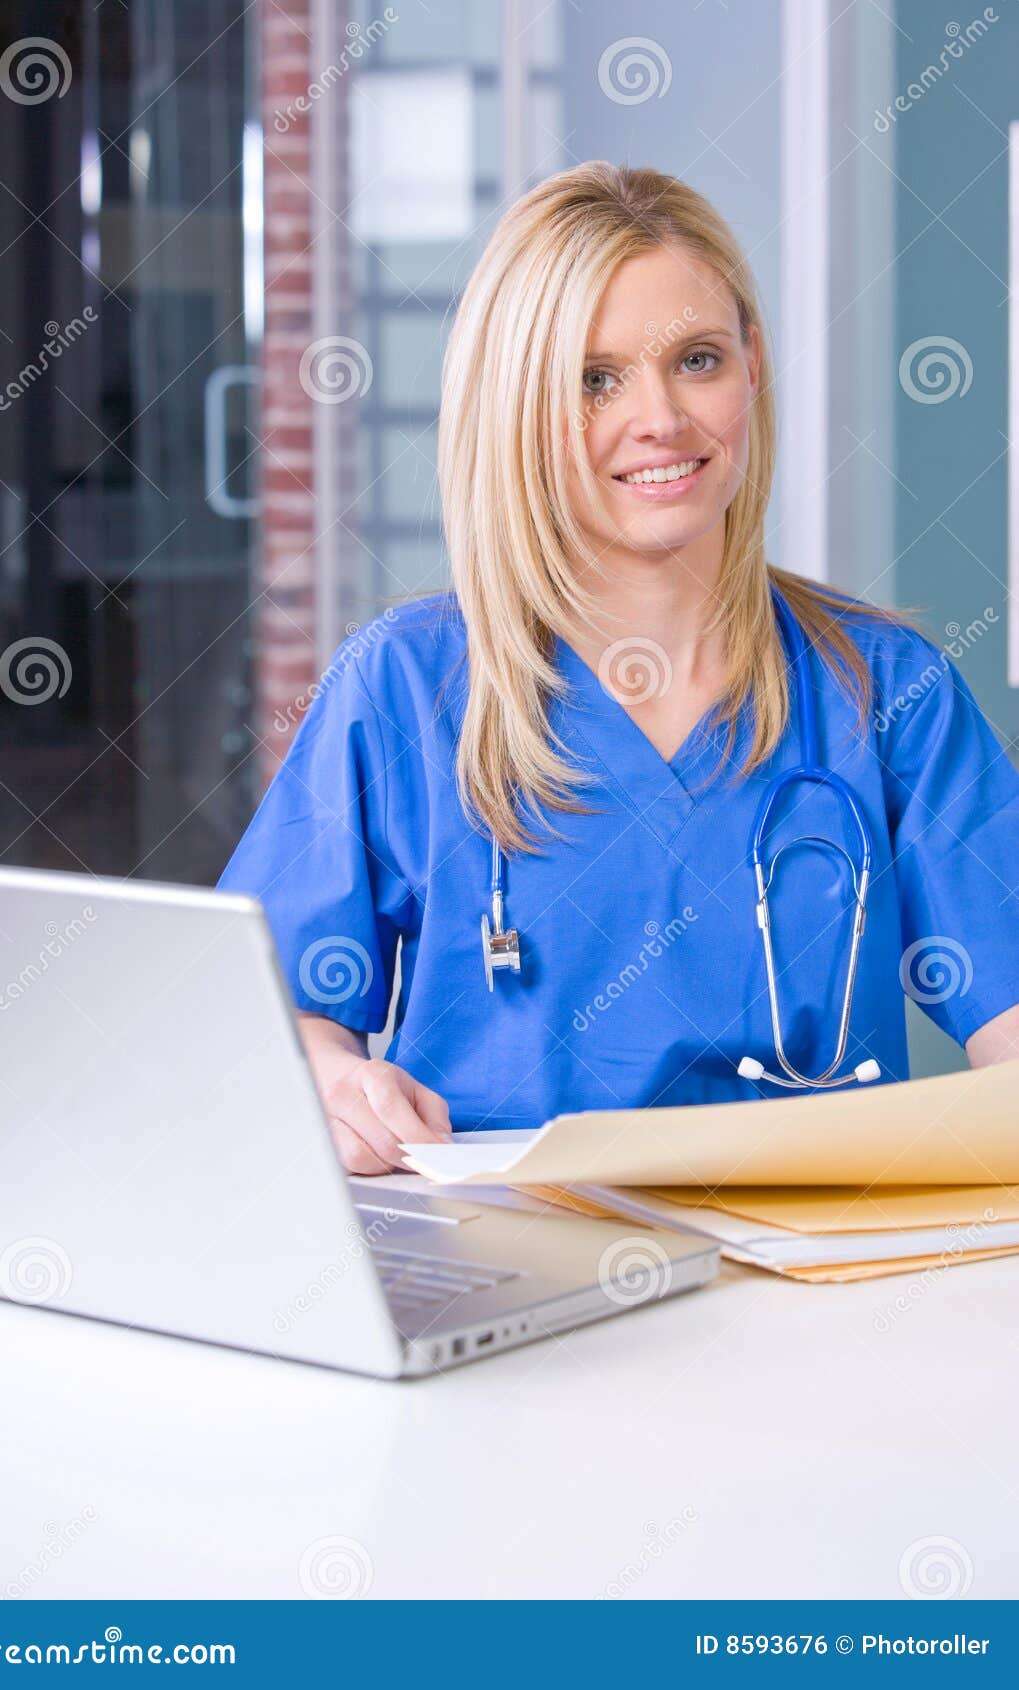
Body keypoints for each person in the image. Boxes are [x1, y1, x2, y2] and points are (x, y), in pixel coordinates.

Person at [216, 162, 1019, 1175]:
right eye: (593, 379)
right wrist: (337, 1083)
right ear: (517, 404)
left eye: (694, 359)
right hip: (508, 1277)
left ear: (752, 364)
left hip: (815, 1283)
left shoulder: (885, 692)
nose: (659, 419)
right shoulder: (403, 690)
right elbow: (273, 1018)